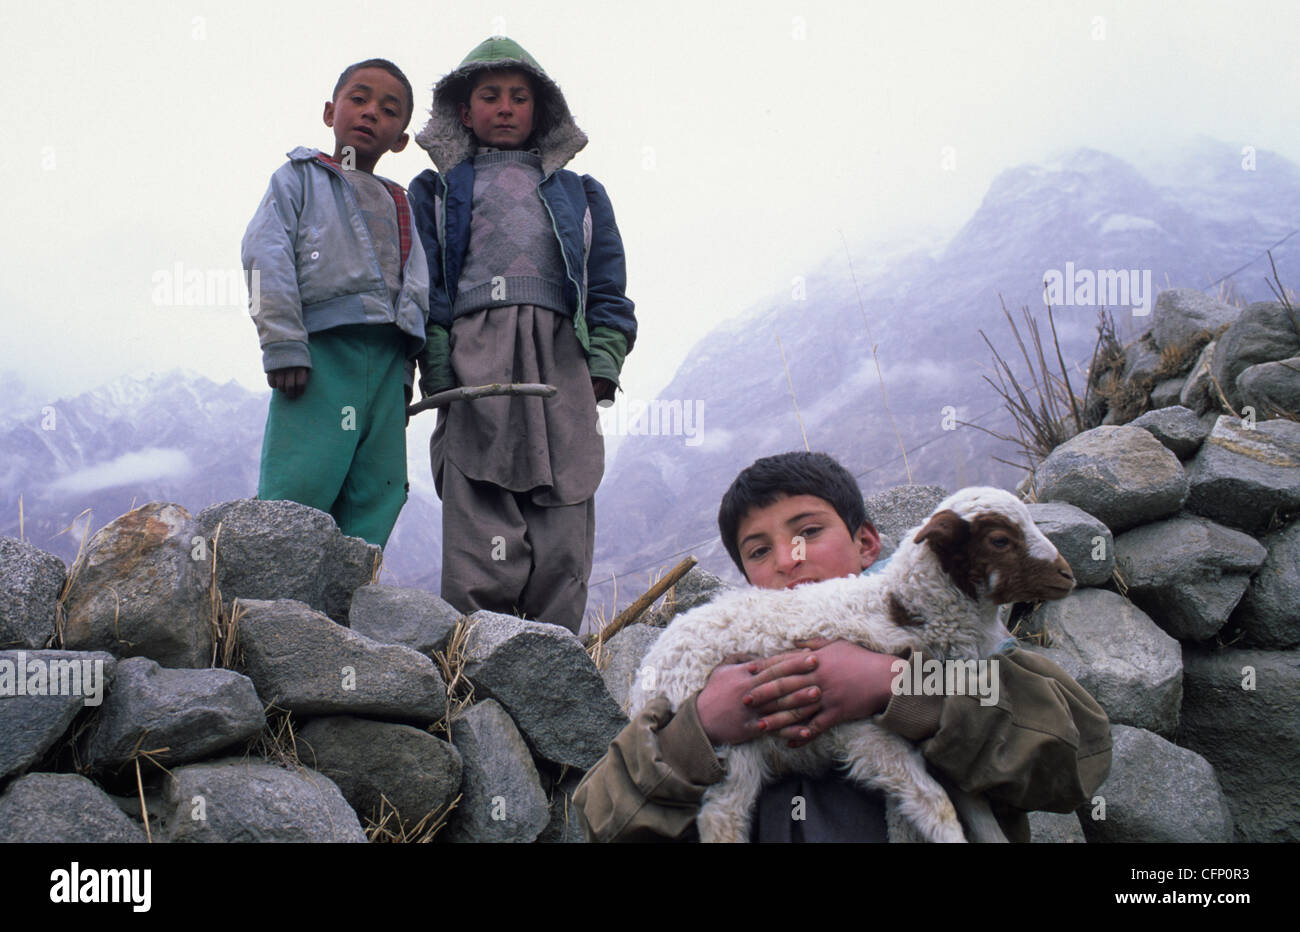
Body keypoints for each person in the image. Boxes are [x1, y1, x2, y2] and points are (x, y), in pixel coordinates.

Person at [573, 451, 1113, 842]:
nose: (788, 559)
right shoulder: (708, 680)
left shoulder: (968, 656)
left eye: (808, 531)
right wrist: (701, 727)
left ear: (867, 543)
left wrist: (893, 684)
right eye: (759, 551)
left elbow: (1076, 758)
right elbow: (598, 820)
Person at [408, 36, 636, 634]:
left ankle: (555, 652)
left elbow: (609, 287)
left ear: (541, 111)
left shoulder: (581, 193)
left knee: (565, 505)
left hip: (561, 363)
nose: (505, 107)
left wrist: (602, 366)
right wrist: (437, 368)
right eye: (490, 96)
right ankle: (478, 657)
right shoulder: (435, 193)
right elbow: (426, 287)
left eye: (519, 97)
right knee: (478, 500)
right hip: (475, 359)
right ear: (464, 110)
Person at [242, 58, 429, 548]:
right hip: (321, 356)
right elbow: (266, 254)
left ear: (400, 140)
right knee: (300, 478)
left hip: (387, 366)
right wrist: (283, 343)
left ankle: (345, 604)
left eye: (389, 111)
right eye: (359, 99)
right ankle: (268, 600)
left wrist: (408, 367)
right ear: (330, 112)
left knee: (378, 487)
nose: (371, 113)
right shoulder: (299, 178)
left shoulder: (400, 201)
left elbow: (417, 285)